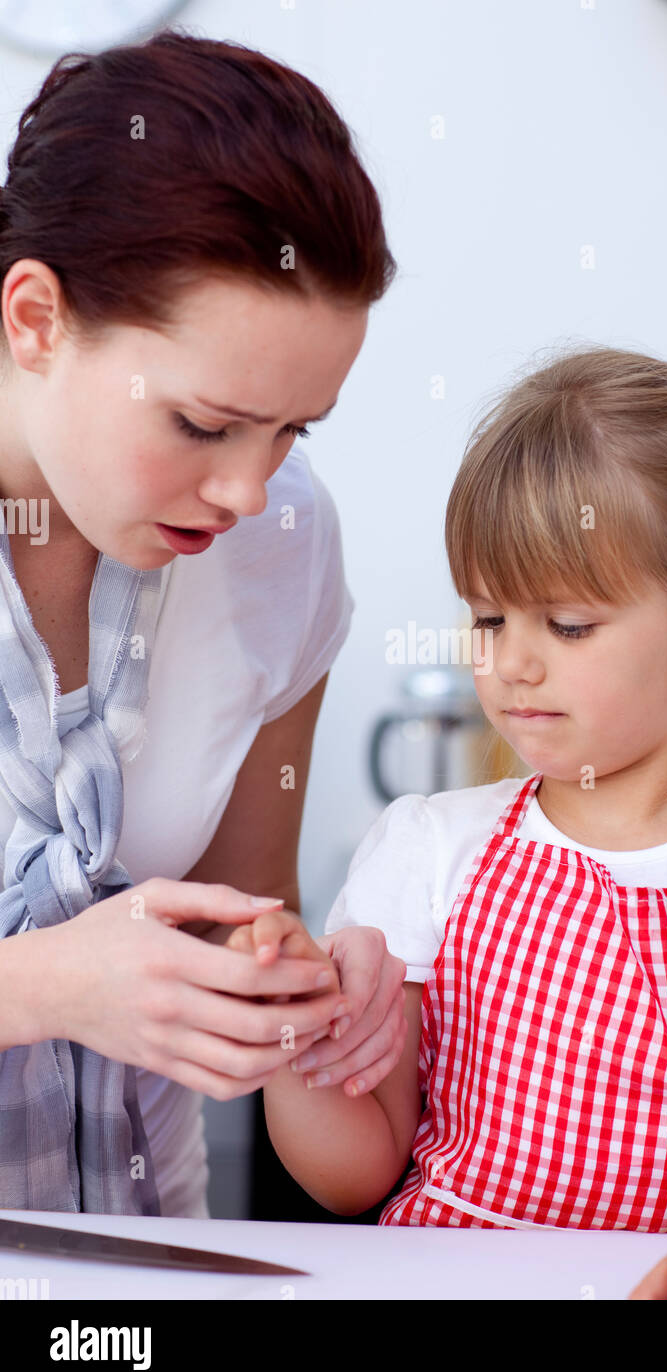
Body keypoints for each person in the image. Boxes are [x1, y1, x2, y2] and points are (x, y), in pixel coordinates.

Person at [234, 346, 667, 1299]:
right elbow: (354, 1177)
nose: (511, 666)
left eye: (567, 626)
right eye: (489, 620)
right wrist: (295, 1041)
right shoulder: (427, 848)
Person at [0, 30, 408, 1217]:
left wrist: (302, 980)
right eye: (202, 422)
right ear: (34, 319)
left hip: (144, 1258)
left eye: (295, 430)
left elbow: (241, 908)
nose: (247, 489)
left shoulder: (285, 543)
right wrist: (43, 987)